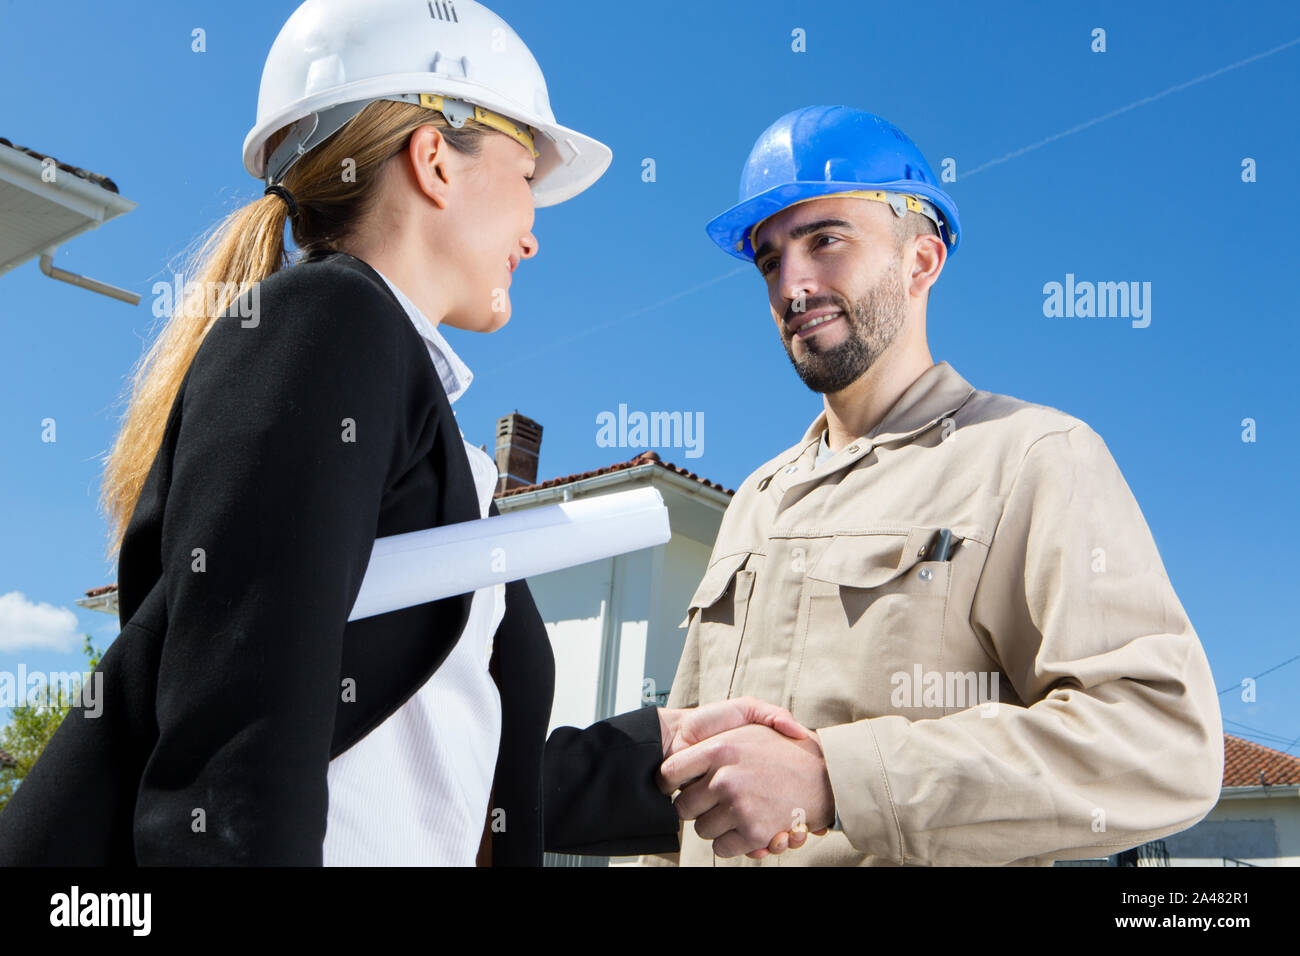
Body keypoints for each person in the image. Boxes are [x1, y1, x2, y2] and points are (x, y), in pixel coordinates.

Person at [0, 0, 805, 866]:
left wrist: (661, 753)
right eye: (525, 176)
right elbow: (235, 758)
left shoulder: (398, 405)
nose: (534, 236)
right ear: (435, 161)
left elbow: (428, 768)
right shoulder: (325, 323)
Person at [639, 105, 1224, 866]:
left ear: (921, 261)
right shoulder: (758, 498)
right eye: (770, 262)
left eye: (825, 241)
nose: (793, 286)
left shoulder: (1032, 458)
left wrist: (839, 777)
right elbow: (687, 779)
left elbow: (1163, 742)